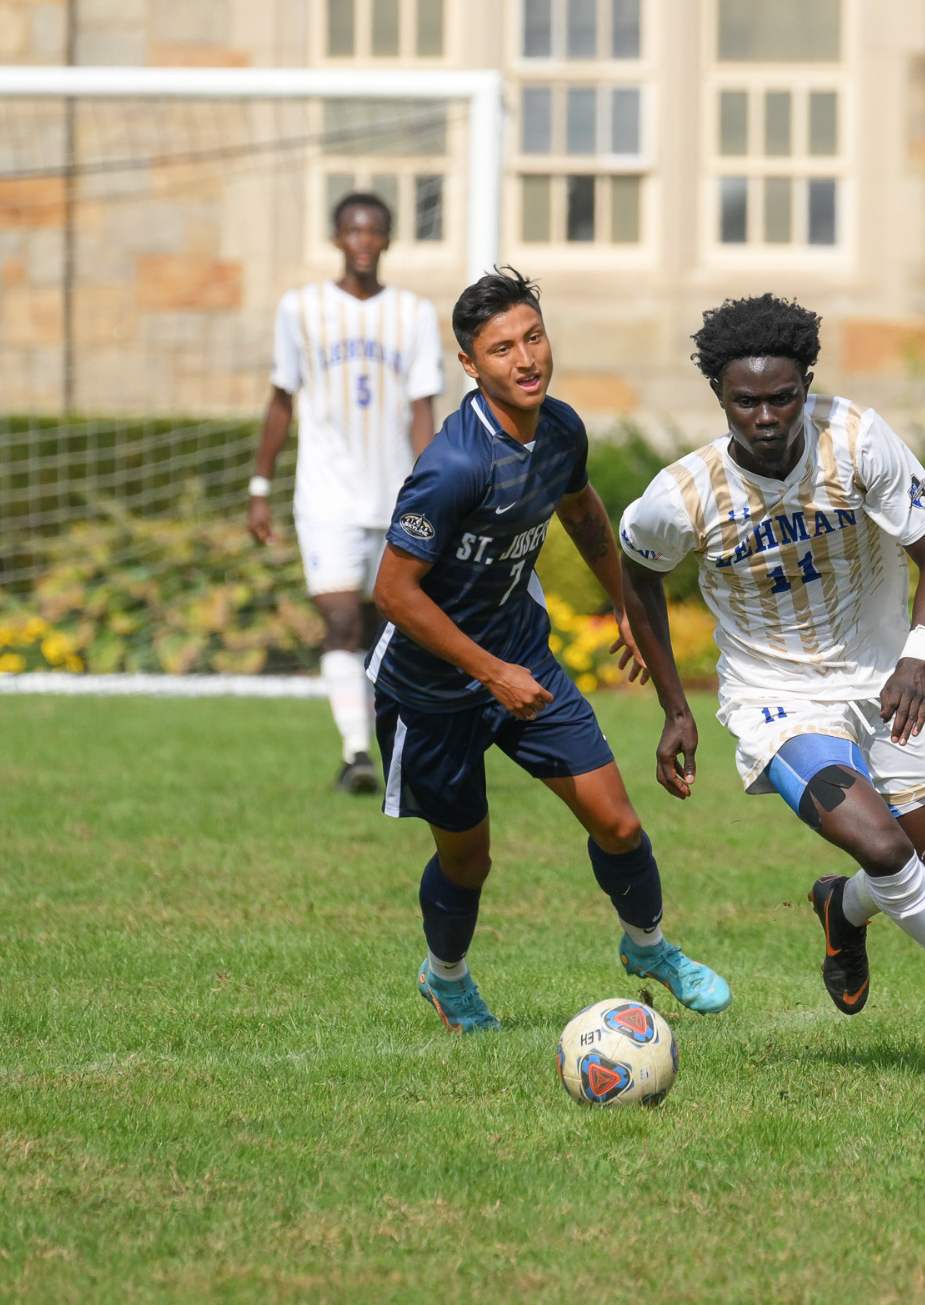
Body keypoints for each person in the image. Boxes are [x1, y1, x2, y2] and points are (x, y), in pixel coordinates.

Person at [614, 294, 925, 1070]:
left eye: (783, 397)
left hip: (881, 677)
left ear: (806, 384)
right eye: (746, 402)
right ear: (719, 396)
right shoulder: (682, 495)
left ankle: (840, 907)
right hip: (775, 699)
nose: (766, 417)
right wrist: (676, 709)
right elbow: (638, 576)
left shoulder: (856, 440)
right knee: (882, 845)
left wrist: (916, 658)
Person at [369, 267, 730, 1033]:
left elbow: (581, 508)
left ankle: (647, 947)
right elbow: (394, 593)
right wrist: (490, 673)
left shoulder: (560, 429)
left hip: (523, 661)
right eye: (502, 349)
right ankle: (446, 978)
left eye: (533, 337)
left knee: (619, 824)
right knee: (469, 861)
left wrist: (623, 604)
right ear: (470, 364)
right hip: (432, 692)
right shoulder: (453, 467)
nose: (526, 359)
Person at [250, 191, 443, 795]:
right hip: (326, 497)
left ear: (387, 240)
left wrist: (434, 489)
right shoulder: (301, 308)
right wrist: (259, 487)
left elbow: (423, 409)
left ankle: (395, 751)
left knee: (385, 631)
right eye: (354, 231)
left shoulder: (413, 313)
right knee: (339, 620)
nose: (364, 241)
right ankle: (357, 752)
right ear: (337, 239)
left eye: (374, 231)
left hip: (395, 499)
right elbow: (281, 399)